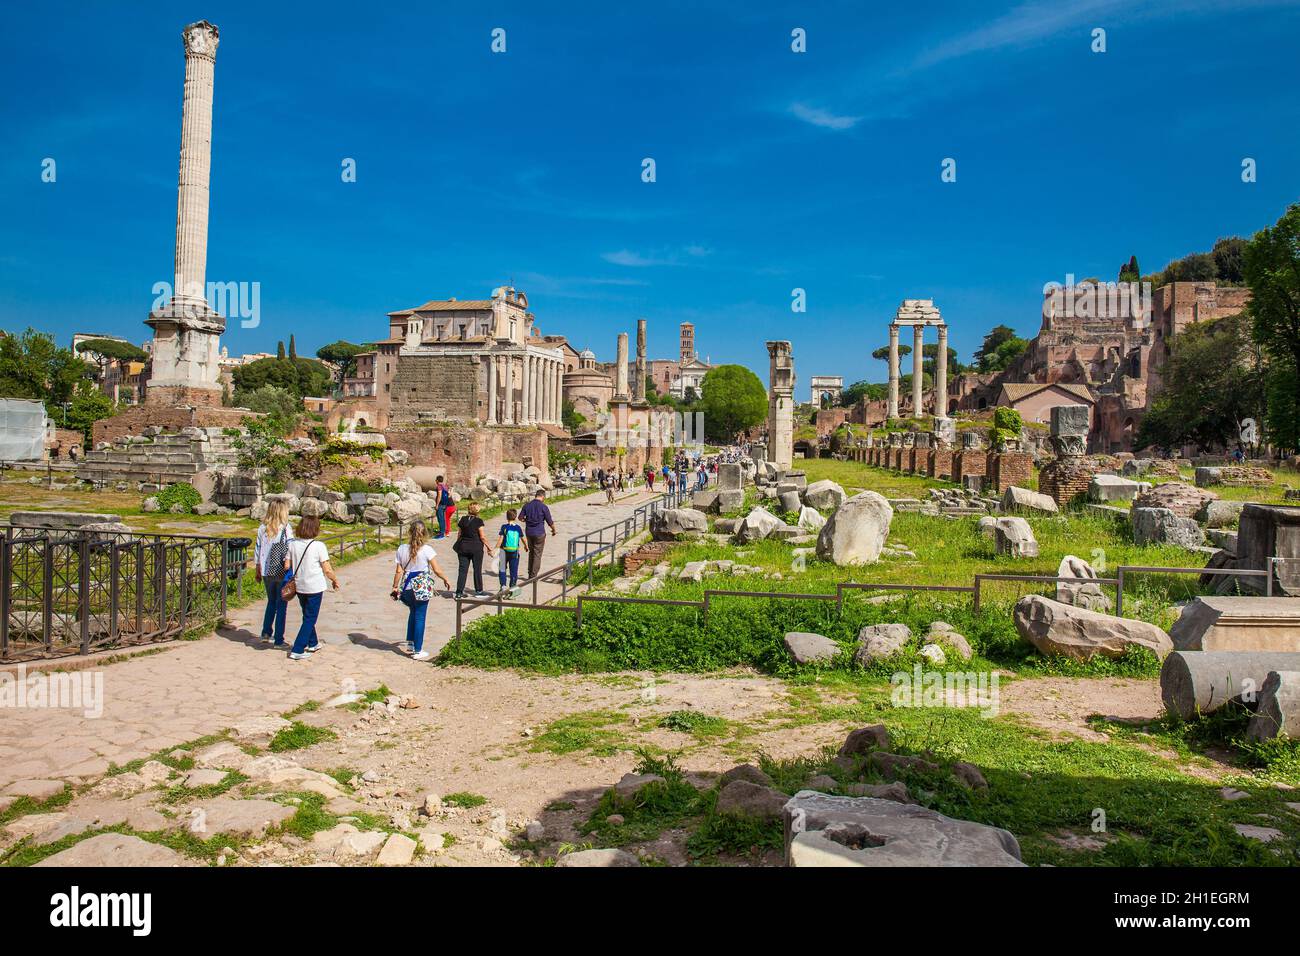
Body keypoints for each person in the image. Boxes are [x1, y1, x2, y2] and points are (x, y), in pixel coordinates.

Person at [390, 519, 450, 661]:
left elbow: (399, 571)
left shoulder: (402, 549)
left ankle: (410, 643)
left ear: (410, 532)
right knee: (420, 616)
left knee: (413, 612)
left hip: (407, 586)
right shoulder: (427, 550)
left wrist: (394, 586)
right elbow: (436, 569)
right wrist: (445, 578)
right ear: (425, 534)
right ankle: (418, 649)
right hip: (421, 586)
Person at [285, 514, 340, 660]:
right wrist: (334, 580)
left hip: (300, 585)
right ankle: (297, 648)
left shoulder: (292, 545)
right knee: (310, 618)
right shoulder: (318, 546)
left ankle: (313, 642)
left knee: (307, 615)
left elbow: (287, 565)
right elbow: (327, 569)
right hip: (314, 586)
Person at [253, 499, 293, 645]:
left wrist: (258, 570)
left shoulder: (262, 528)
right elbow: (291, 547)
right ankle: (279, 638)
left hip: (266, 570)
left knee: (271, 601)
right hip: (281, 569)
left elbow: (257, 551)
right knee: (281, 604)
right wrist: (289, 565)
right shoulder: (286, 527)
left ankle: (266, 632)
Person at [453, 502, 493, 598]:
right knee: (477, 569)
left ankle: (459, 592)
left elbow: (459, 534)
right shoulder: (479, 521)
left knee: (462, 570)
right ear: (477, 510)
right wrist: (489, 547)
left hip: (463, 547)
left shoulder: (462, 520)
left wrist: (459, 544)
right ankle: (478, 591)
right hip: (476, 548)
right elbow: (482, 537)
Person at [520, 489, 556, 579]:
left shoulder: (527, 505)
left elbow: (520, 517)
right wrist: (554, 530)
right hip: (539, 533)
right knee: (537, 554)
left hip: (529, 532)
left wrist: (526, 520)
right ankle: (533, 575)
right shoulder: (544, 507)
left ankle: (529, 572)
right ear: (543, 496)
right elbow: (550, 522)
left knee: (531, 552)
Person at [496, 508, 527, 595]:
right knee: (514, 571)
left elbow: (501, 539)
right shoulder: (518, 528)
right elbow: (522, 538)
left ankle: (503, 586)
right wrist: (526, 546)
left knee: (502, 569)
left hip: (503, 551)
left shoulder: (504, 527)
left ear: (507, 517)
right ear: (515, 517)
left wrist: (495, 549)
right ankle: (512, 589)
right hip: (514, 552)